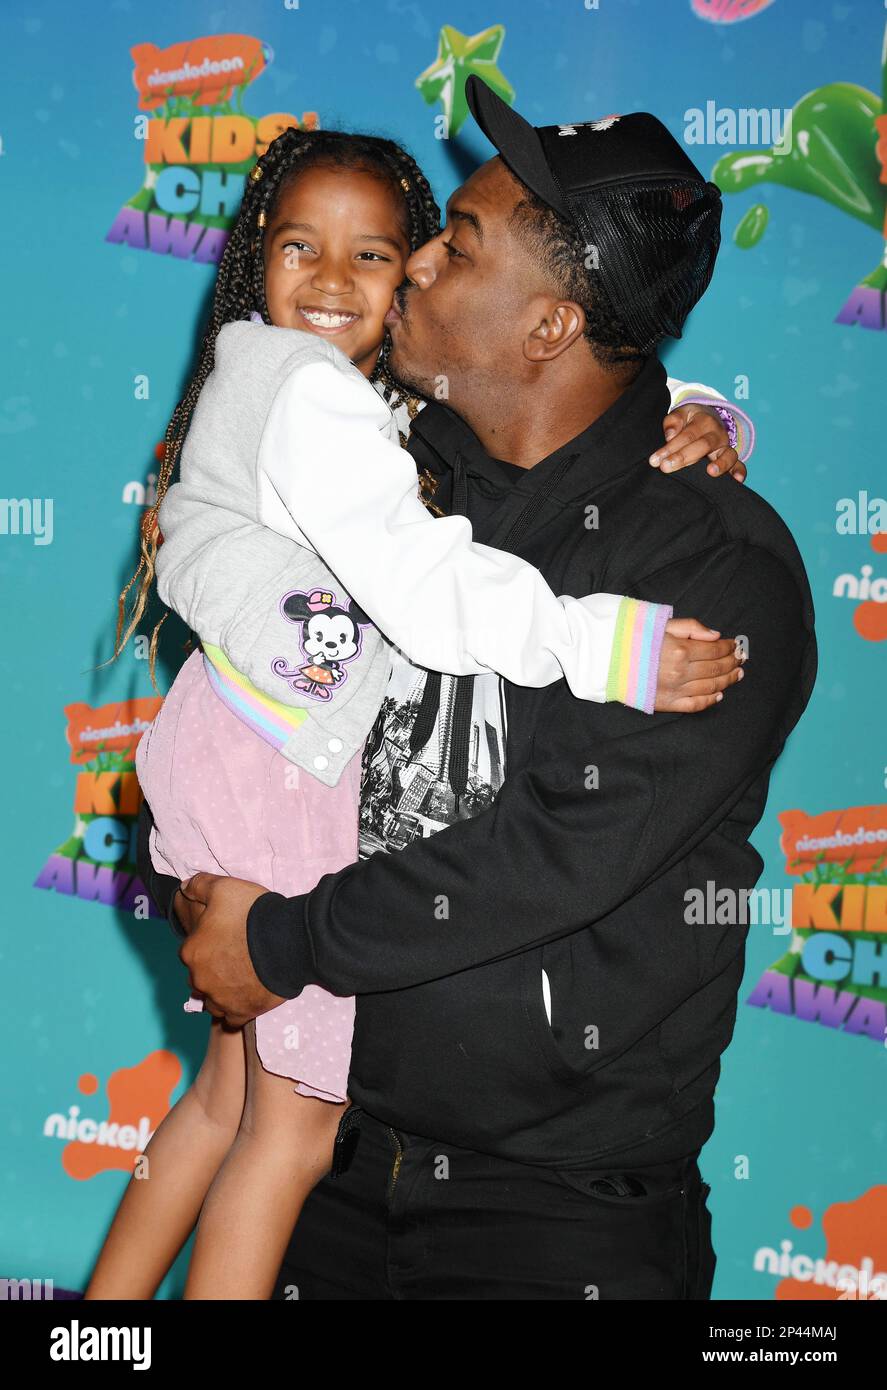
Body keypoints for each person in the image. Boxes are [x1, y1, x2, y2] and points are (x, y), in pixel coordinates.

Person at [143, 88, 806, 1300]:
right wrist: (204, 884)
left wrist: (279, 939)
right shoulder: (388, 474)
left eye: (453, 242)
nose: (414, 267)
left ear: (549, 324)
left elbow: (552, 852)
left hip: (553, 1227)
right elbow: (255, 711)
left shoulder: (712, 565)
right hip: (325, 1166)